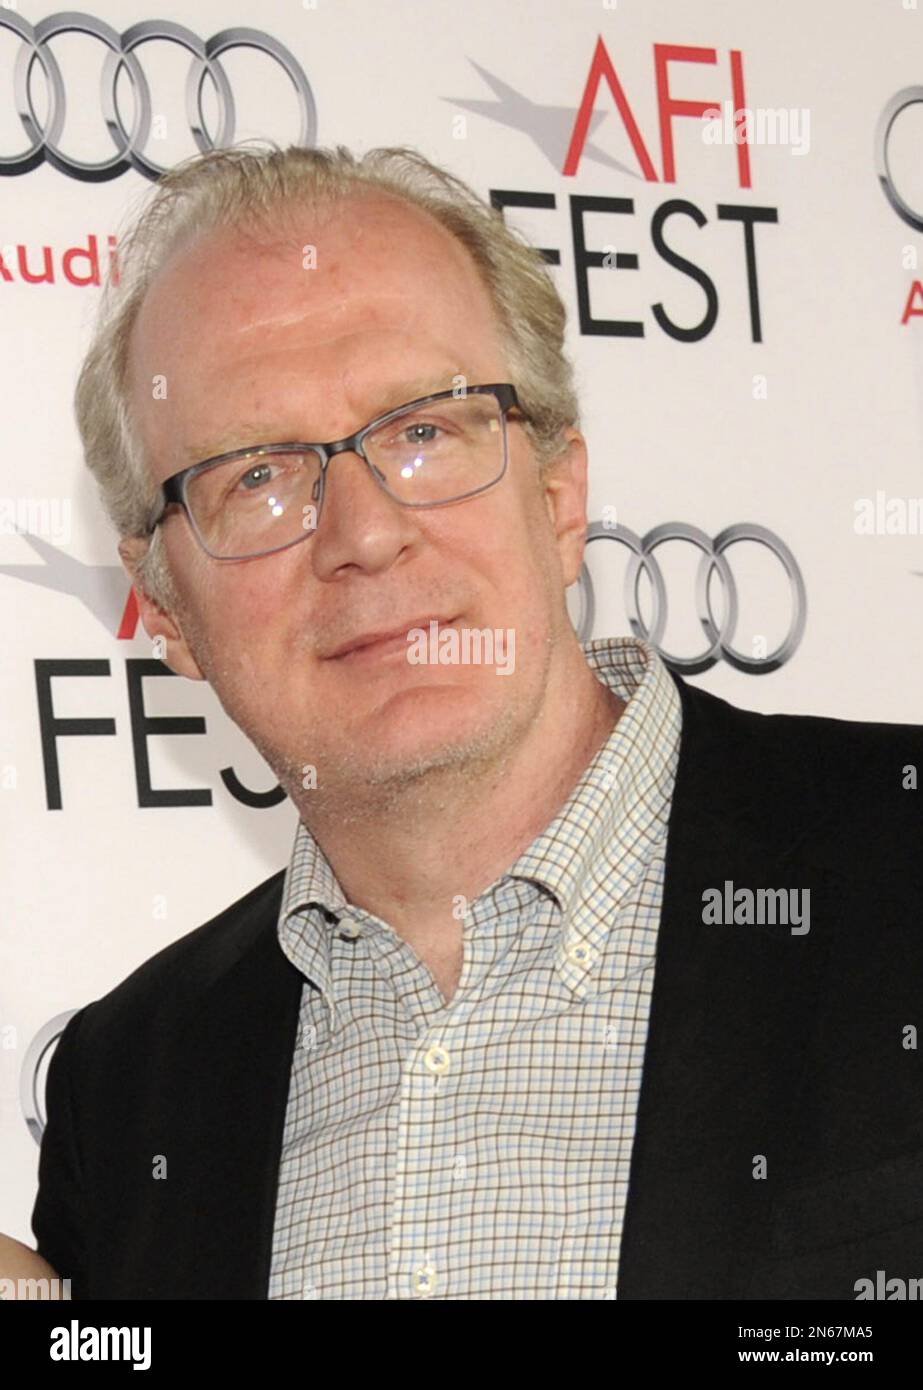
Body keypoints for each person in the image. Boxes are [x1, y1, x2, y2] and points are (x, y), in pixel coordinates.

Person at [31, 144, 923, 1300]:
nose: (362, 532)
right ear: (166, 612)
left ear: (558, 499)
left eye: (423, 431)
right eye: (255, 476)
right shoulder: (127, 1093)